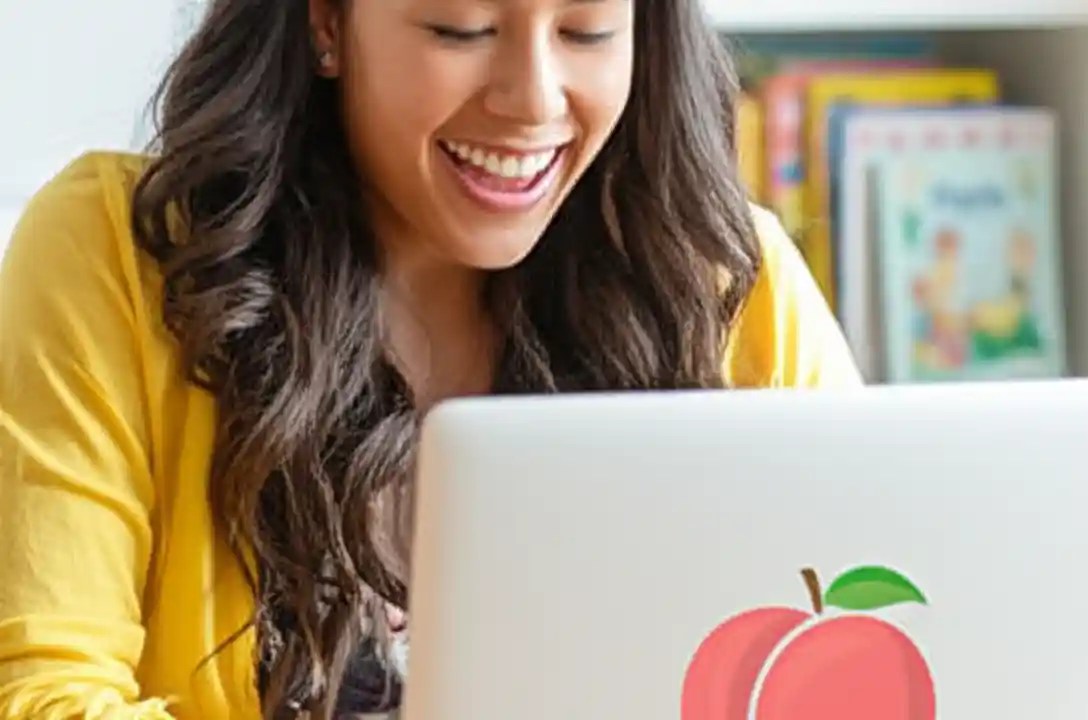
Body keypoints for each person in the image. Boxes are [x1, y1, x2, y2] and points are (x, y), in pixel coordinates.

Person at [0, 0, 862, 717]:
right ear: (327, 24)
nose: (533, 99)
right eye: (461, 28)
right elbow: (43, 691)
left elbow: (874, 648)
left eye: (587, 32)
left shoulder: (723, 284)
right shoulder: (121, 252)